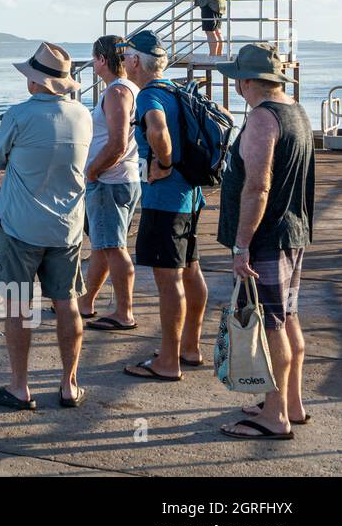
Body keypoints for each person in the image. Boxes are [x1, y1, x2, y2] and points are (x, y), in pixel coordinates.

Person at [0, 42, 93, 410]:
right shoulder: (83, 115)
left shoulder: (18, 115)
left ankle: (19, 386)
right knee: (68, 303)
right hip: (67, 228)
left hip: (20, 226)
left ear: (37, 83)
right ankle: (69, 383)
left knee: (17, 306)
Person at [214, 43, 315, 440]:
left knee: (271, 326)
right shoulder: (296, 111)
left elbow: (257, 187)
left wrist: (241, 247)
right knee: (287, 318)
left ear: (246, 81)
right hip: (292, 231)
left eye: (237, 77)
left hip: (266, 238)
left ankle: (274, 417)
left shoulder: (261, 119)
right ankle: (292, 403)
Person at [119, 30, 209, 382]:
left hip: (165, 200)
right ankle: (189, 346)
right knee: (191, 269)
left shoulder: (149, 96)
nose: (123, 61)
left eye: (126, 55)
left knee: (168, 280)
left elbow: (157, 129)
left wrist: (164, 163)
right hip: (190, 195)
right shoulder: (174, 89)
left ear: (137, 61)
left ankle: (168, 362)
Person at [81, 35, 142, 331]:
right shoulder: (128, 88)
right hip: (121, 179)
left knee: (114, 247)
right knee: (103, 246)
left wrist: (92, 171)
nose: (92, 64)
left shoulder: (117, 93)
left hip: (110, 181)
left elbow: (117, 144)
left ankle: (124, 311)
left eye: (94, 59)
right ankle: (87, 300)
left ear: (103, 60)